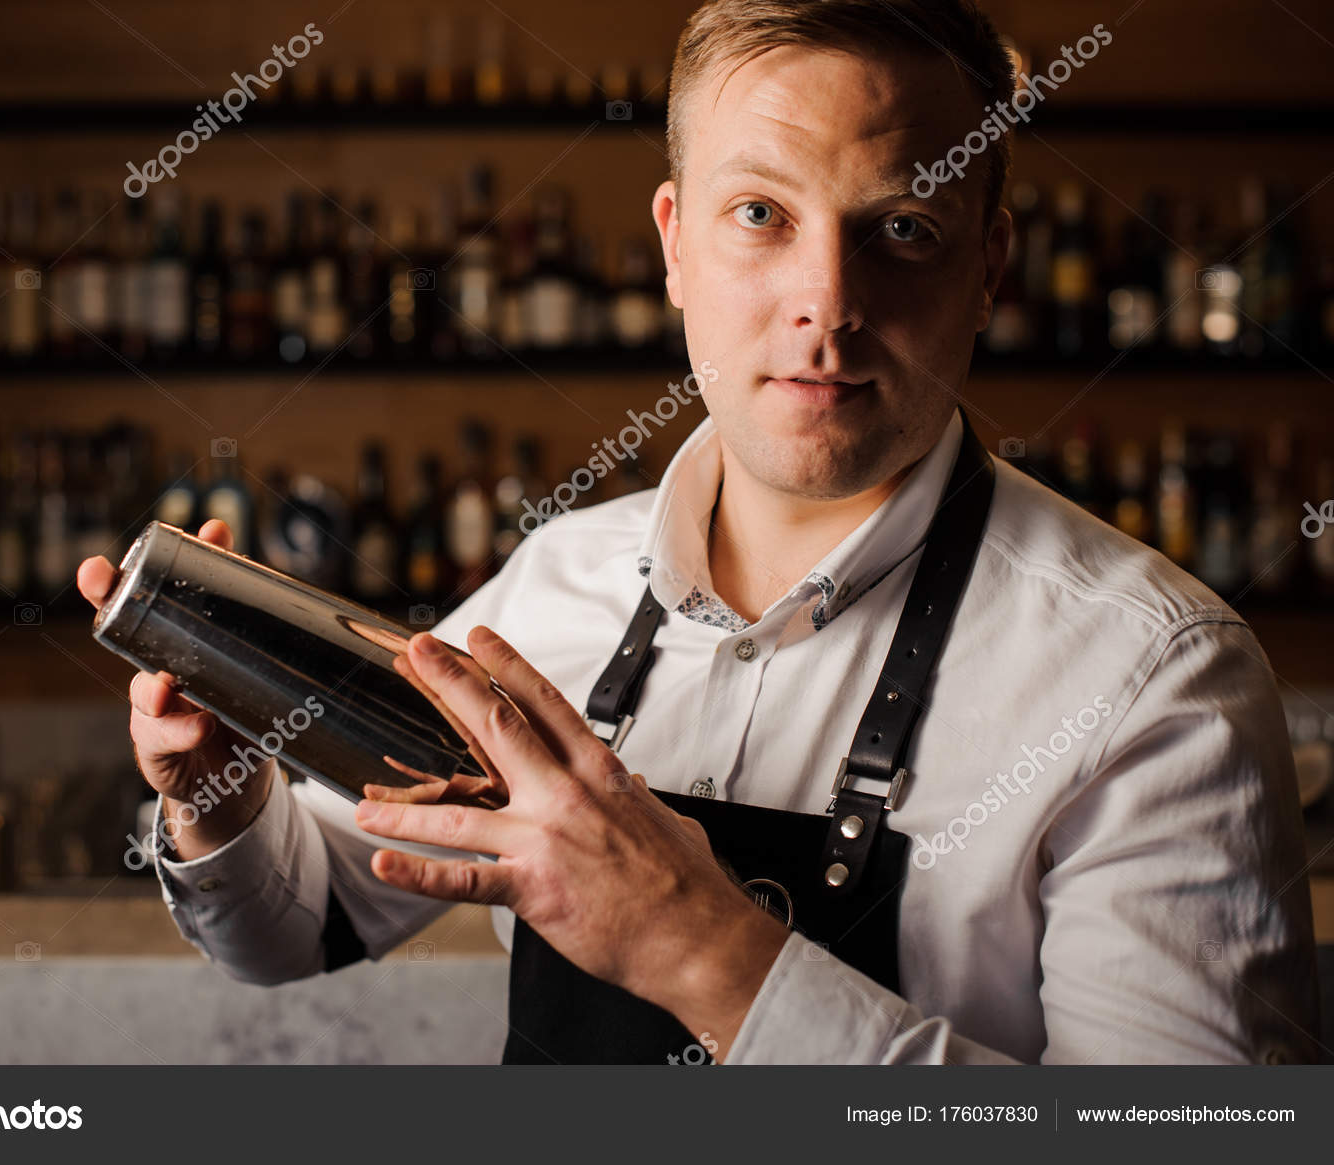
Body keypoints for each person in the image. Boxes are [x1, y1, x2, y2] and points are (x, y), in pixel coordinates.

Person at [76, 0, 1319, 1063]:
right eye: (761, 216)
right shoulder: (557, 581)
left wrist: (701, 947)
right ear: (673, 246)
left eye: (904, 228)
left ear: (988, 266)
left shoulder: (1155, 682)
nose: (825, 306)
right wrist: (224, 797)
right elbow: (302, 928)